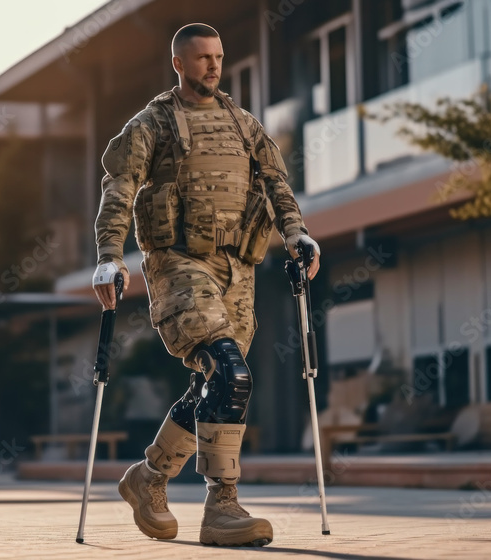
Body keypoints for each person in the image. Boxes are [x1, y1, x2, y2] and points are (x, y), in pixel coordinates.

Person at [91, 22, 320, 547]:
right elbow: (119, 186)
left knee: (214, 385)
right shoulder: (154, 122)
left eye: (218, 57)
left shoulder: (243, 123)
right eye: (201, 58)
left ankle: (148, 478)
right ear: (179, 63)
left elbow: (276, 182)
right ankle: (223, 506)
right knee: (233, 374)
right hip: (178, 263)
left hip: (238, 269)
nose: (213, 66)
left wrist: (297, 234)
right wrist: (108, 256)